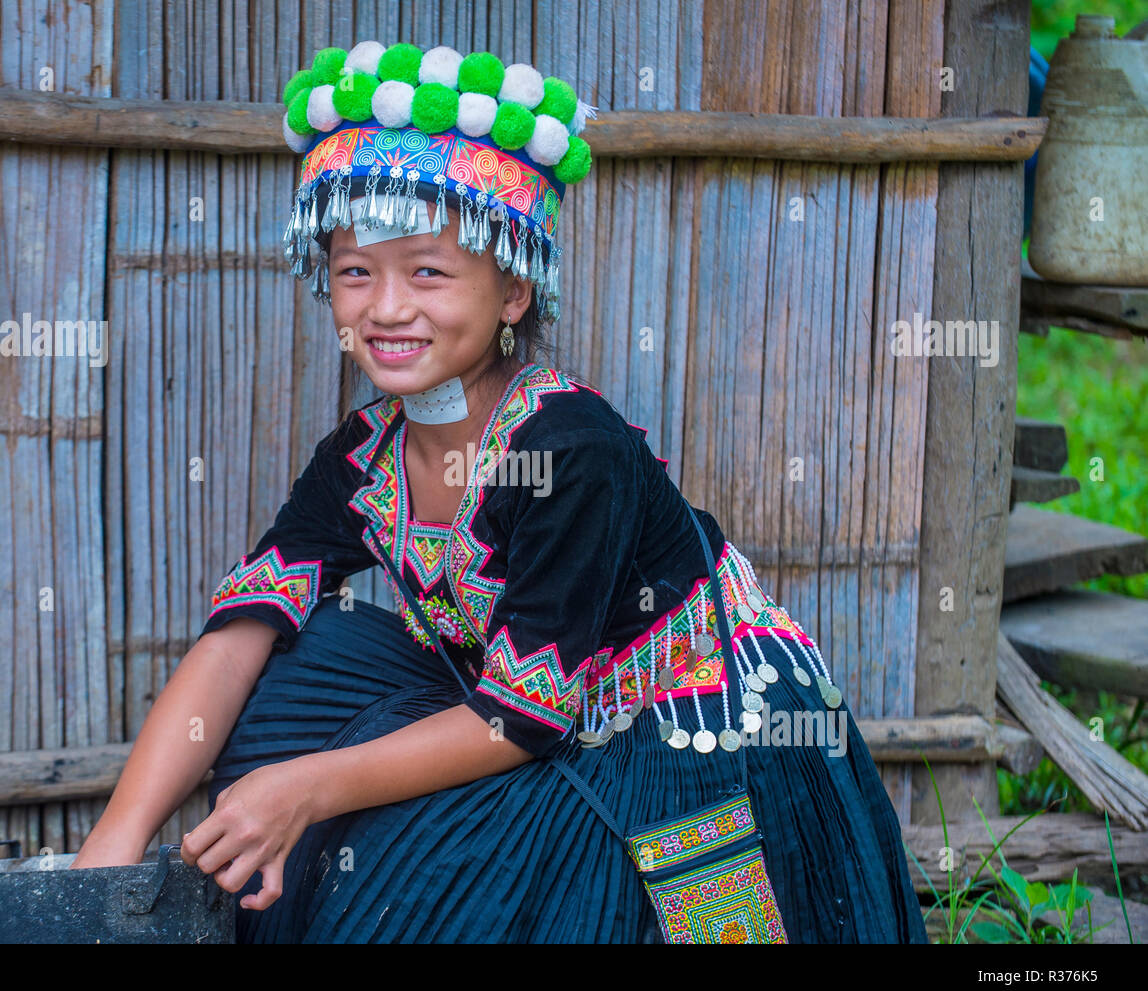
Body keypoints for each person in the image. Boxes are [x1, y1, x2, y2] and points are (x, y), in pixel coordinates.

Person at [73, 40, 928, 945]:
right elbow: (237, 637)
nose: (387, 307)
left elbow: (523, 717)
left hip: (690, 724)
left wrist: (308, 788)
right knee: (298, 662)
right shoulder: (363, 457)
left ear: (513, 290)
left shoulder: (572, 452)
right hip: (529, 713)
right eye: (357, 271)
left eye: (429, 272)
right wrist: (111, 853)